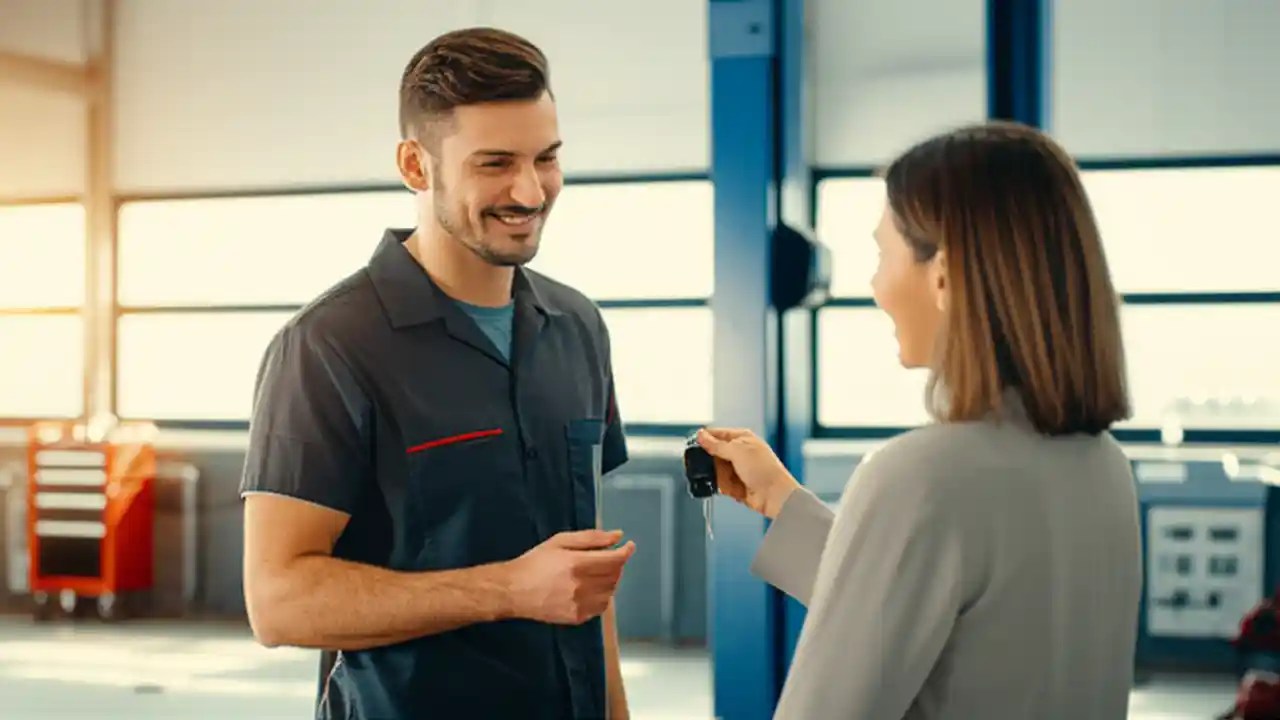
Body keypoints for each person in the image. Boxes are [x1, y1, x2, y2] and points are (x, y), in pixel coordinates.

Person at [239, 27, 636, 720]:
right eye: (495, 163)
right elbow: (278, 602)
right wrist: (508, 590)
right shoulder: (329, 347)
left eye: (546, 158)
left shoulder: (577, 327)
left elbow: (585, 579)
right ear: (416, 167)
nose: (530, 190)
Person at [697, 121, 1143, 719]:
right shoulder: (1100, 461)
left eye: (884, 254)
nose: (876, 284)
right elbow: (951, 622)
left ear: (943, 275)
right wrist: (784, 501)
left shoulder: (924, 474)